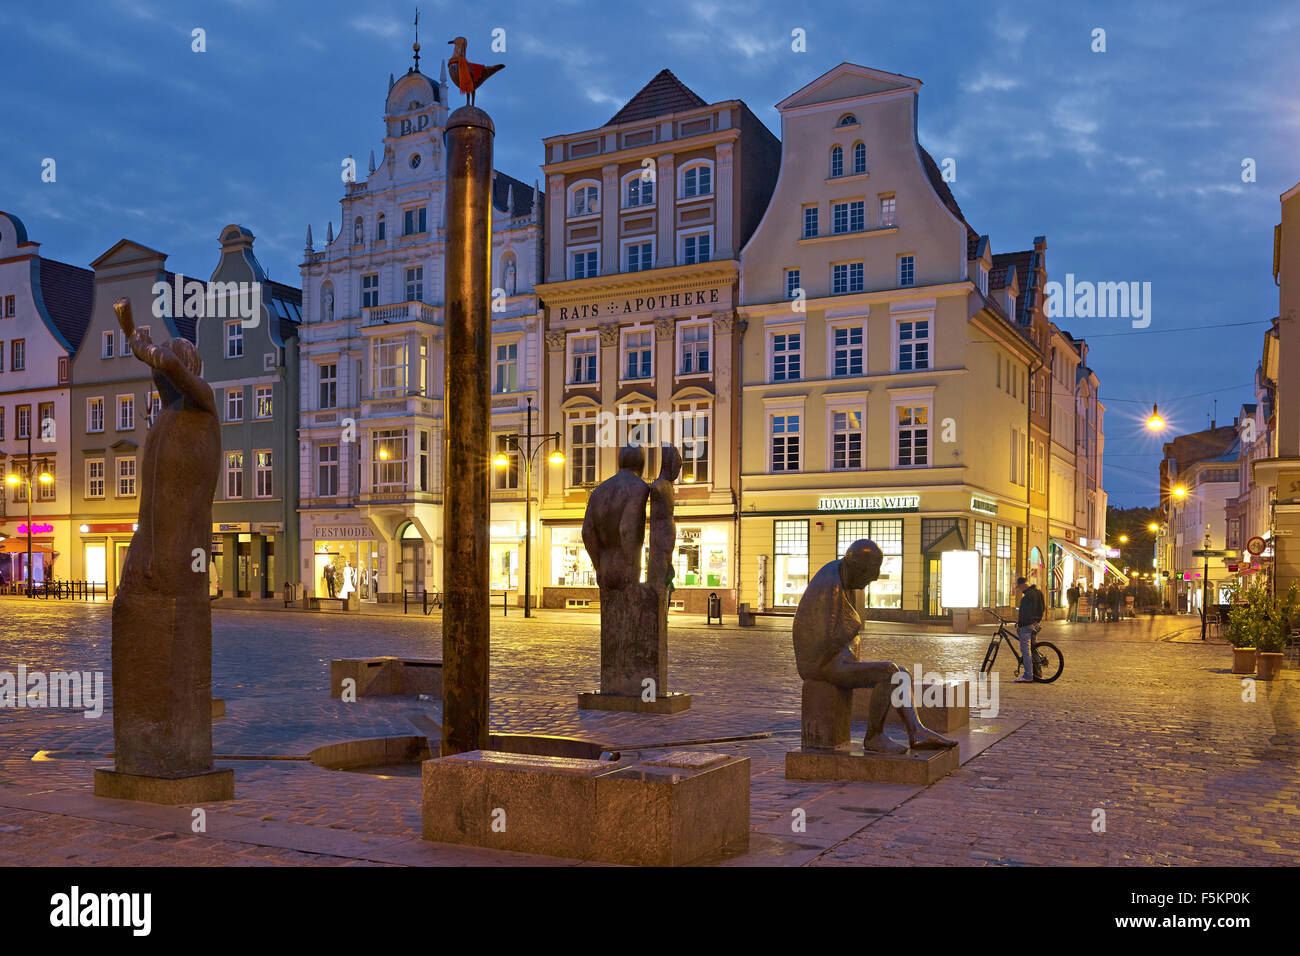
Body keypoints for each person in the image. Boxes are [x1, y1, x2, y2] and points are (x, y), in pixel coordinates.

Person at [1014, 575, 1045, 683]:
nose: (1020, 590)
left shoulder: (1026, 598)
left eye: (1019, 587)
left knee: (1025, 650)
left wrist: (1020, 625)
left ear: (1023, 585)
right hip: (1036, 623)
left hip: (1027, 625)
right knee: (1033, 647)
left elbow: (1024, 614)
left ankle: (1028, 675)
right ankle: (1038, 672)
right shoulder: (1038, 593)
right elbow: (1043, 608)